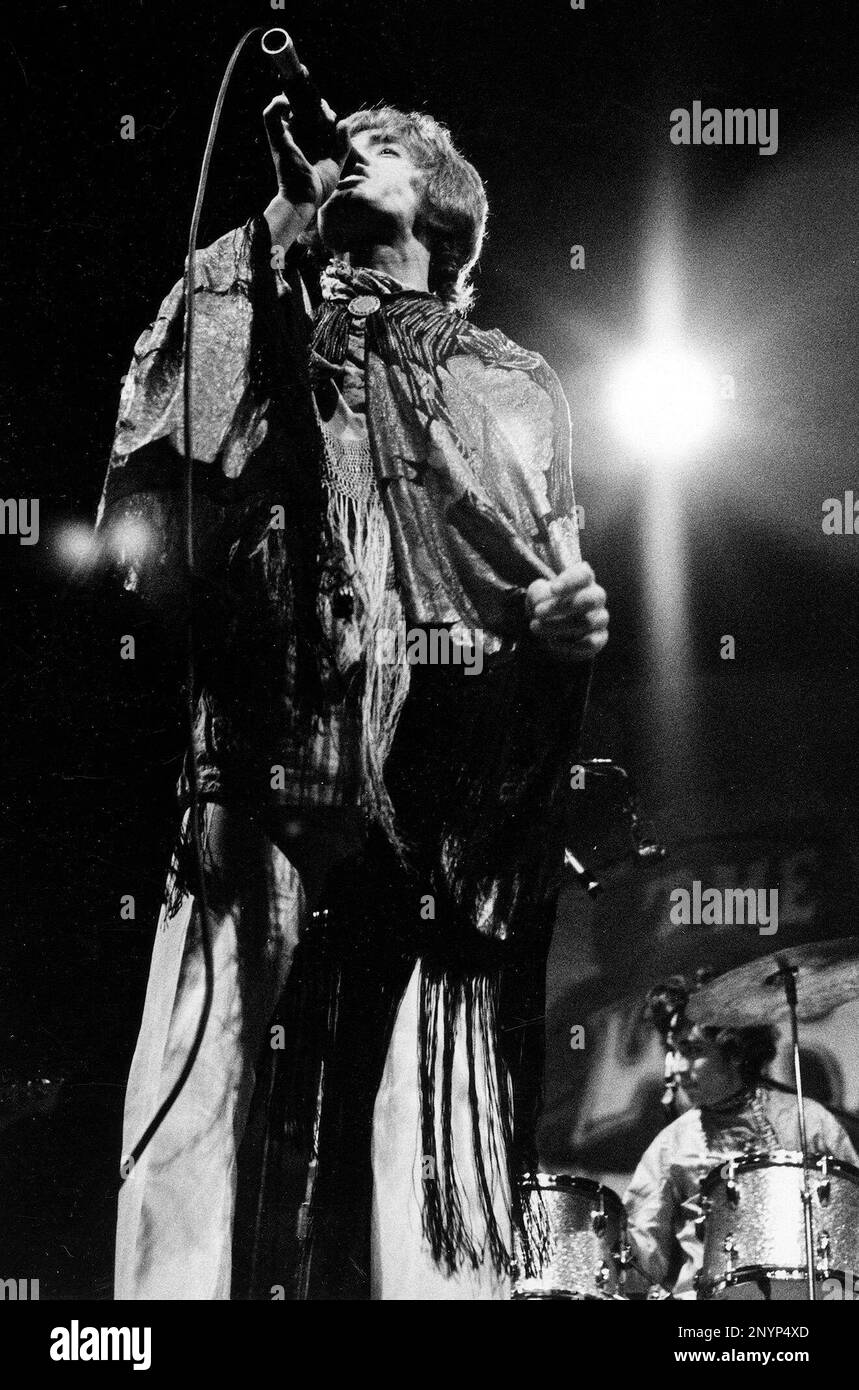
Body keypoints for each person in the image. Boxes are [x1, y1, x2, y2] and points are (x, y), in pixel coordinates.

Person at [96, 89, 609, 1300]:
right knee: (200, 1094)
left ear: (441, 208)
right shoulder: (267, 313)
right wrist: (276, 222)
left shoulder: (510, 383)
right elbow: (168, 455)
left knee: (413, 1133)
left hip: (431, 801)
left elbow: (538, 567)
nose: (343, 155)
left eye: (373, 150)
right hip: (268, 756)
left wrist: (562, 631)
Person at [624, 1005, 858, 1299]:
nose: (677, 1067)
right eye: (673, 1051)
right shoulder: (671, 1145)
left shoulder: (808, 1120)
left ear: (735, 1053)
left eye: (692, 1051)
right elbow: (641, 1262)